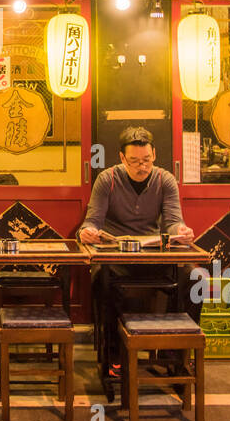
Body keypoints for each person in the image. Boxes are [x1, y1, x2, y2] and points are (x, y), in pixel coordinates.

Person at [79, 126, 195, 375]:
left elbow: (173, 221)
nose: (142, 167)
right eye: (134, 161)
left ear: (154, 154)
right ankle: (114, 357)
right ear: (122, 158)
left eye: (146, 160)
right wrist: (86, 231)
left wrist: (182, 231)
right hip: (116, 255)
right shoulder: (107, 179)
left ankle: (174, 353)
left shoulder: (165, 180)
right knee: (102, 278)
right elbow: (93, 220)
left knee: (193, 276)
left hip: (152, 254)